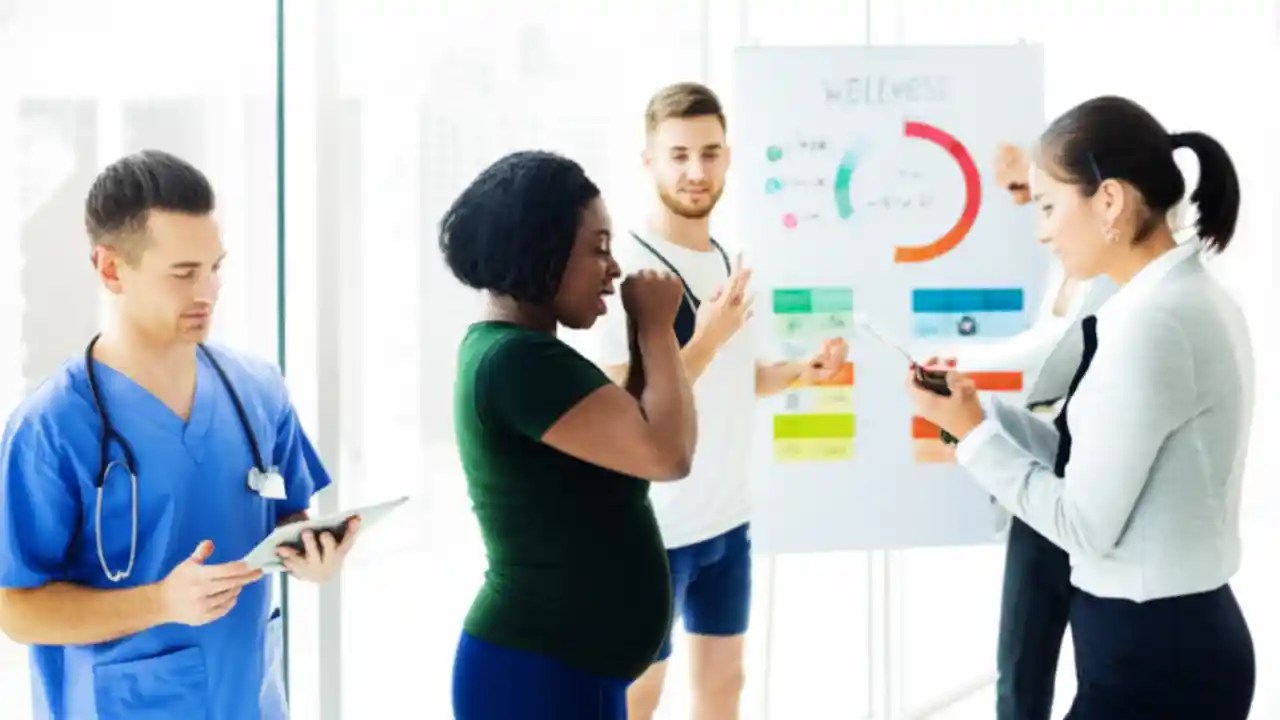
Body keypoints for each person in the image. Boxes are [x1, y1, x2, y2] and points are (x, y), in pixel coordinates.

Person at [909, 95, 1255, 719]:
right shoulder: (1170, 302)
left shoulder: (1154, 323)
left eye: (1047, 206)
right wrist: (979, 416)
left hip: (1156, 663)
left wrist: (975, 437)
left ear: (1110, 201)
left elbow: (1082, 524)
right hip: (1165, 644)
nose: (1040, 230)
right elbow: (1094, 461)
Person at [0, 150, 357, 719]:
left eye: (215, 267)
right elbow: (16, 608)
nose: (208, 292)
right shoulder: (52, 427)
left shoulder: (257, 390)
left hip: (247, 698)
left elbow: (290, 516)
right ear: (111, 269)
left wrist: (311, 553)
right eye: (184, 273)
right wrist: (161, 603)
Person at [591, 82, 848, 720]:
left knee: (724, 690)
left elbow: (732, 377)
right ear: (648, 162)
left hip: (727, 521)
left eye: (709, 153)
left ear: (729, 157)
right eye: (678, 155)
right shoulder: (624, 267)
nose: (696, 171)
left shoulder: (730, 259)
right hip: (655, 529)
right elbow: (622, 405)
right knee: (636, 699)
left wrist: (798, 372)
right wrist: (709, 336)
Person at [442, 149, 698, 720]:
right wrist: (656, 325)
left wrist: (643, 335)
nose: (614, 269)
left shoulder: (519, 352)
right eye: (599, 248)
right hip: (540, 675)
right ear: (542, 248)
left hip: (560, 671)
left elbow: (635, 438)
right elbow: (667, 452)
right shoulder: (518, 361)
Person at [945, 143, 1115, 720]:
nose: (1041, 227)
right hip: (1039, 469)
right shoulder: (1068, 263)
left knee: (1089, 662)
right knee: (1020, 663)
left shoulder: (1121, 282)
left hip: (1087, 480)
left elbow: (1049, 349)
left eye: (1047, 205)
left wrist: (959, 359)